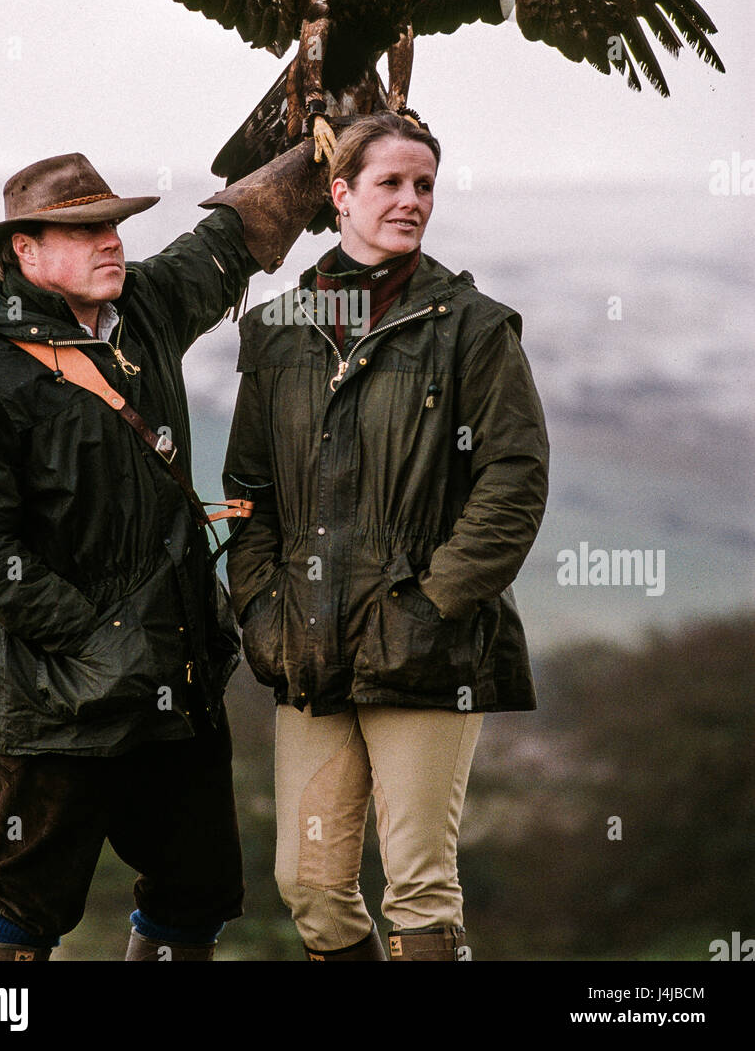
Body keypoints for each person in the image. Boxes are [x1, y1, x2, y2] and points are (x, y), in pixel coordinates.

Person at [0, 142, 338, 962]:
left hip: (177, 681)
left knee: (198, 889)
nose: (111, 240)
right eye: (84, 231)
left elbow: (230, 239)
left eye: (114, 223)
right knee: (28, 906)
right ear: (24, 253)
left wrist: (320, 144)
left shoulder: (138, 311)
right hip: (56, 698)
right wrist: (104, 643)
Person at [222, 112, 549, 961]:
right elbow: (248, 491)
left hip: (425, 644)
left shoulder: (473, 327)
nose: (411, 201)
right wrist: (259, 605)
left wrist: (433, 601)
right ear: (340, 195)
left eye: (425, 185)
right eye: (391, 184)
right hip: (308, 643)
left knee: (418, 888)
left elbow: (513, 485)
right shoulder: (280, 326)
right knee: (310, 885)